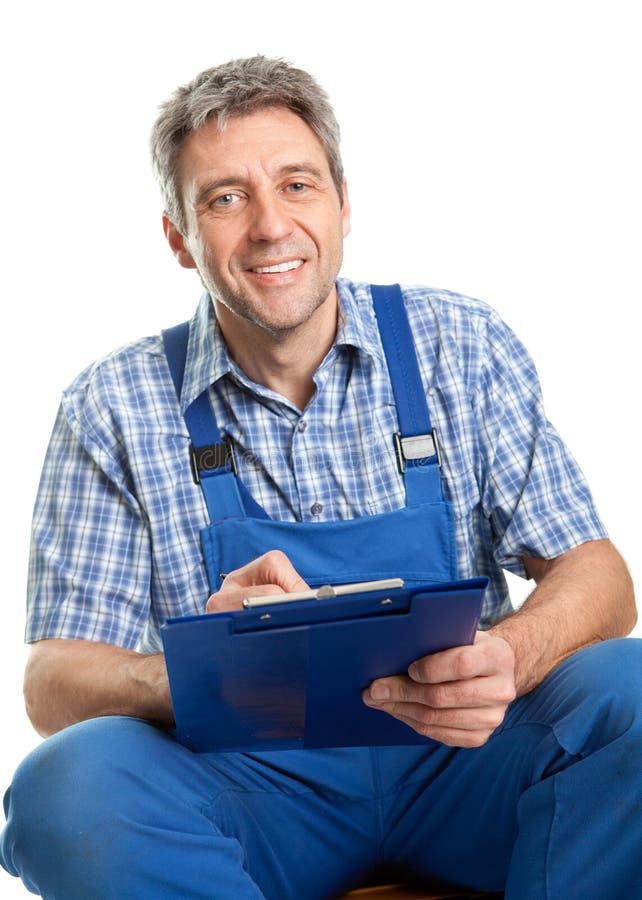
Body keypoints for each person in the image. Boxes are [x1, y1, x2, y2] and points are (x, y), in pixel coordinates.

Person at [0, 55, 639, 899]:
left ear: (344, 203)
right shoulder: (111, 405)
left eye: (296, 185)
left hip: (470, 764)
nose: (269, 226)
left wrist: (511, 657)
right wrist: (199, 674)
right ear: (178, 238)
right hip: (251, 795)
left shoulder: (461, 346)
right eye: (225, 198)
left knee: (630, 694)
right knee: (67, 788)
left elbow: (598, 576)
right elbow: (52, 684)